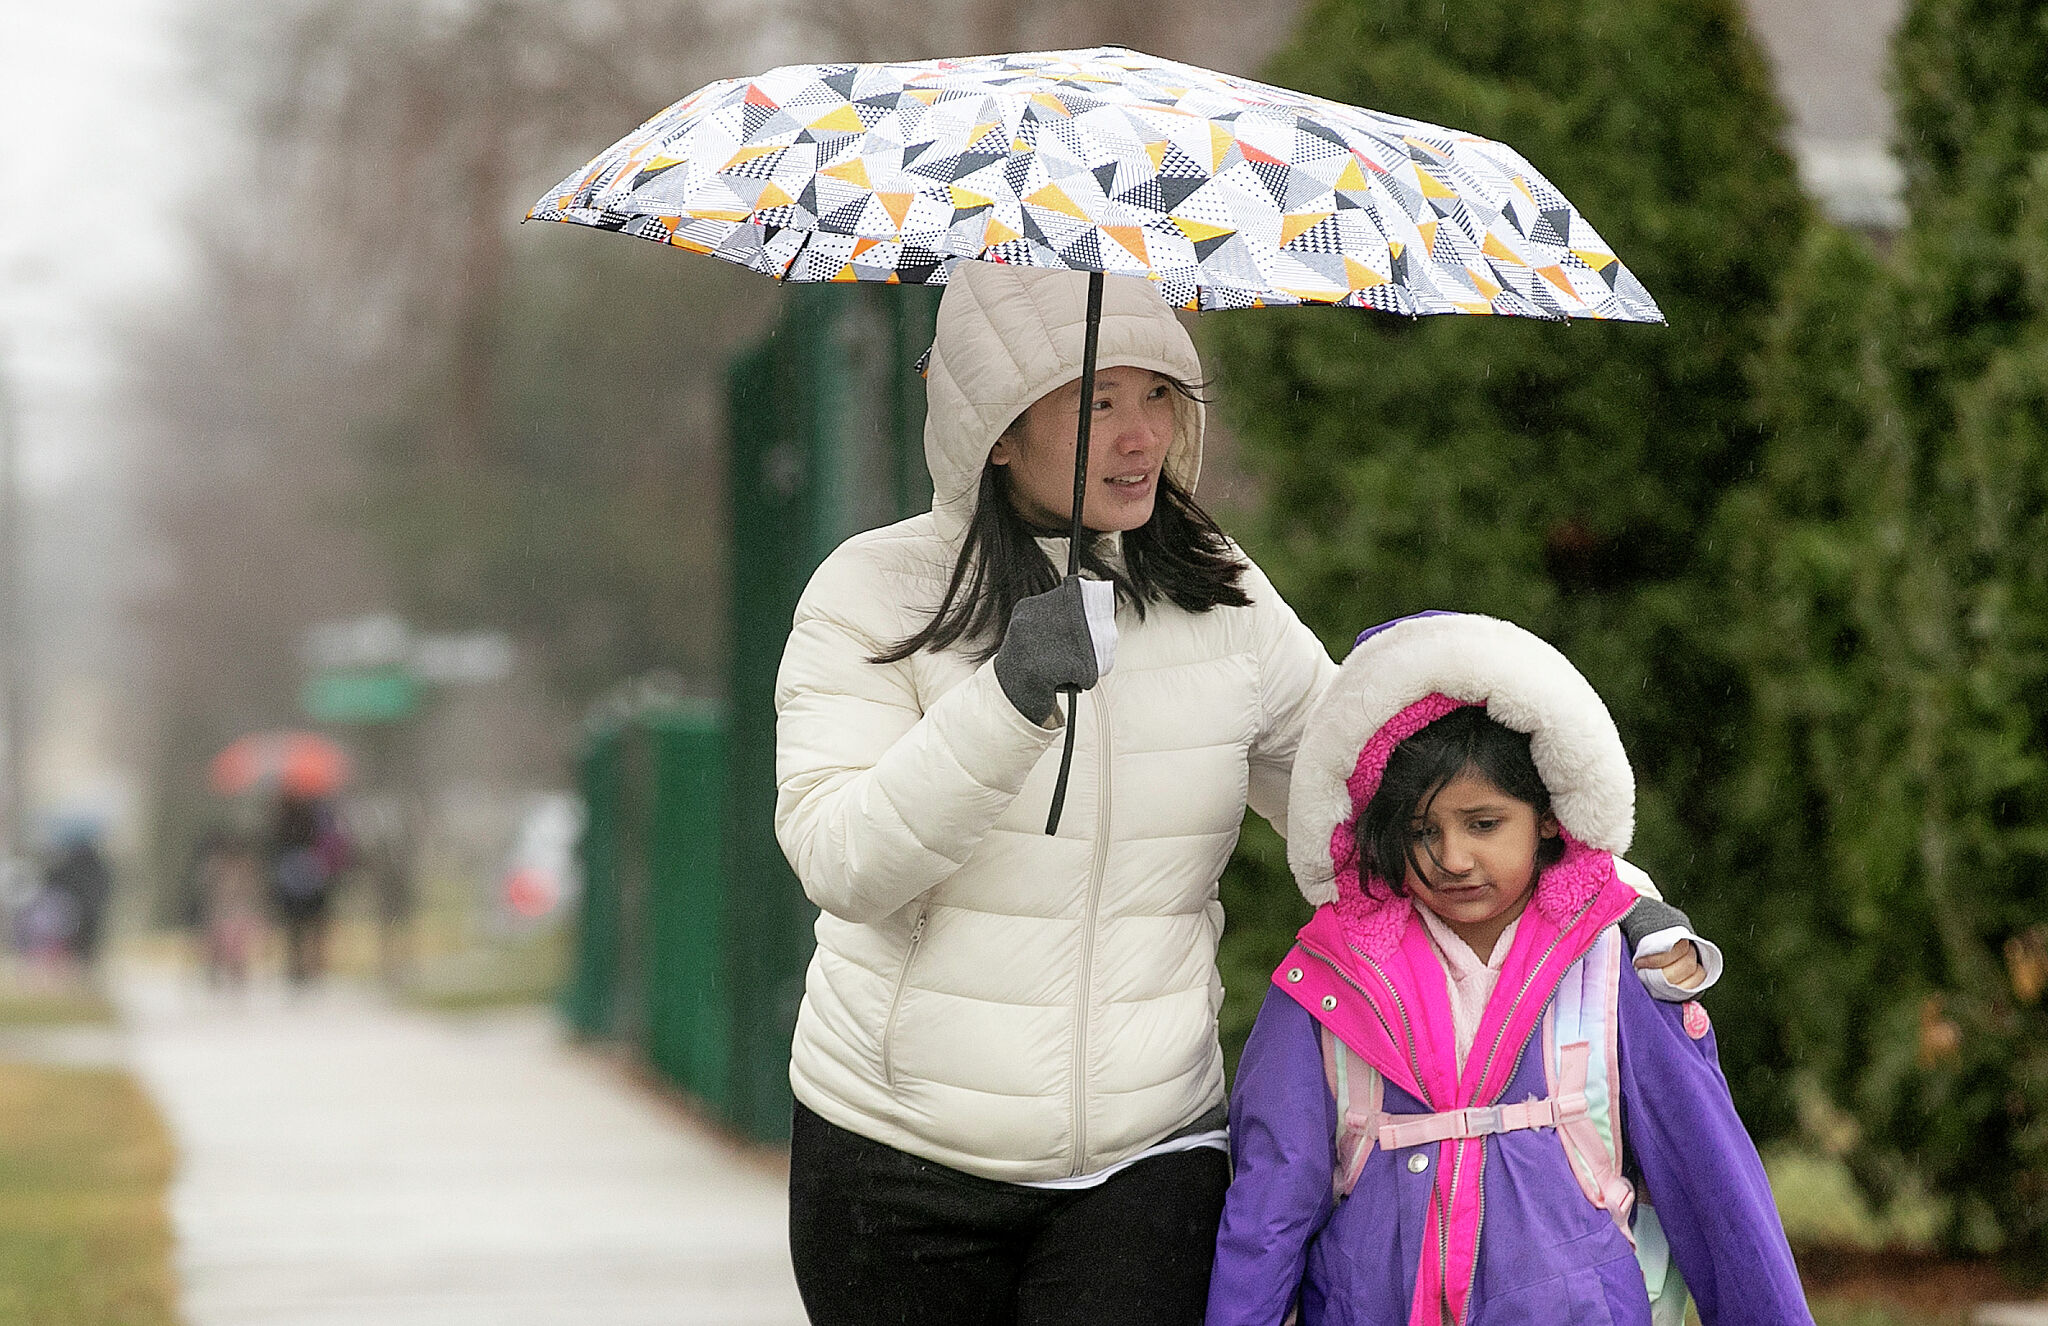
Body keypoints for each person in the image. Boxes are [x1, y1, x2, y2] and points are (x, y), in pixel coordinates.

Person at [774, 265, 1716, 1325]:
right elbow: (843, 862)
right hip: (895, 1158)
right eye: (1097, 402)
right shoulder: (870, 595)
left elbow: (1372, 791)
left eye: (1159, 396)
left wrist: (1600, 897)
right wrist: (1005, 696)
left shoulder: (1217, 595)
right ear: (993, 427)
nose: (1141, 435)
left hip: (1144, 1156)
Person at [1204, 612, 1801, 1326]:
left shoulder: (1616, 965)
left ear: (1549, 814)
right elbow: (1268, 1211)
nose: (1453, 858)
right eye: (1422, 832)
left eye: (1484, 824)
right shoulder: (1323, 985)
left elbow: (1715, 1189)